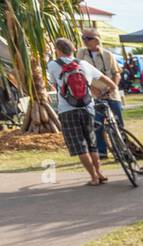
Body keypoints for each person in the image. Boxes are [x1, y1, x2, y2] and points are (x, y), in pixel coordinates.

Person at [45, 38, 117, 186]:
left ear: (58, 51)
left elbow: (53, 84)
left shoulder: (53, 65)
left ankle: (93, 177)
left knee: (80, 145)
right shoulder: (83, 64)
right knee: (91, 142)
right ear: (73, 50)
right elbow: (107, 80)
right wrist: (111, 89)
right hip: (87, 107)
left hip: (67, 110)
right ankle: (99, 173)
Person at [77, 29, 122, 163]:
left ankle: (122, 150)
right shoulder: (81, 53)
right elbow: (79, 75)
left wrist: (112, 87)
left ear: (97, 40)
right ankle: (102, 152)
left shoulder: (108, 54)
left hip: (112, 94)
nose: (85, 41)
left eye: (88, 38)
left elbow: (116, 73)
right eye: (83, 38)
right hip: (94, 95)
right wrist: (92, 89)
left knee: (118, 123)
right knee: (97, 124)